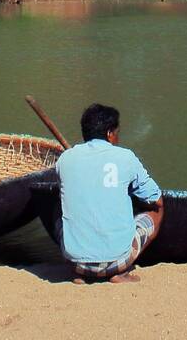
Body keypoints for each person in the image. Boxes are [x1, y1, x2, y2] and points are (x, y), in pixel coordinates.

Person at [52, 104, 164, 284]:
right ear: (110, 133)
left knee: (57, 208)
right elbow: (156, 199)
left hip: (75, 263)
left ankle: (81, 275)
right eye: (117, 132)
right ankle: (122, 271)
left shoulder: (65, 159)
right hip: (116, 262)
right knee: (157, 211)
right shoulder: (126, 157)